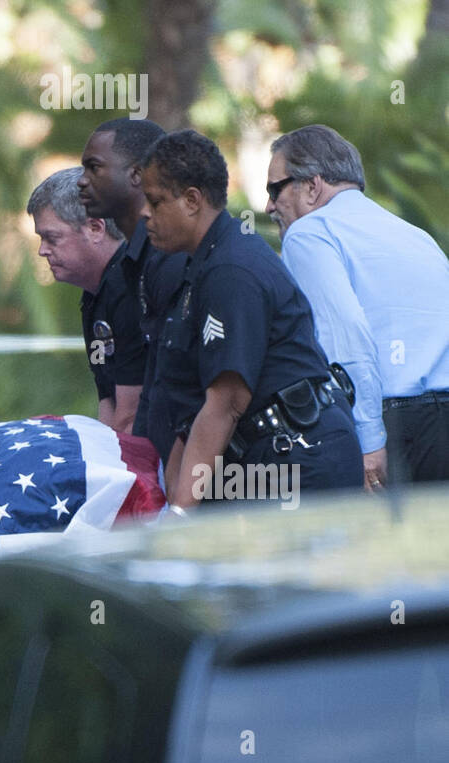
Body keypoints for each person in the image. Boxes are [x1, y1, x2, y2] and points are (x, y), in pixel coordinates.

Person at [139, 130, 363, 506]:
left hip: (300, 461)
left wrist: (178, 517)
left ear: (192, 200)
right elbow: (189, 412)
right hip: (264, 460)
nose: (145, 212)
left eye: (156, 201)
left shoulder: (232, 269)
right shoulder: (204, 264)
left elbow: (225, 404)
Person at [266, 123, 449, 487]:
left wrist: (368, 442)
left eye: (276, 188)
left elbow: (345, 336)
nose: (269, 205)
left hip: (396, 427)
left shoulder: (310, 232)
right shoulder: (416, 236)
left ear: (313, 186)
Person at [77, 117, 187, 444]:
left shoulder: (170, 253)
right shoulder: (134, 261)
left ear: (137, 175)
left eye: (93, 168)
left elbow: (189, 382)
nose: (82, 181)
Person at [26, 169, 132, 430]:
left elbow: (131, 413)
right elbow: (108, 396)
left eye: (52, 238)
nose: (42, 250)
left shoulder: (131, 286)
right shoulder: (94, 295)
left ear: (96, 228)